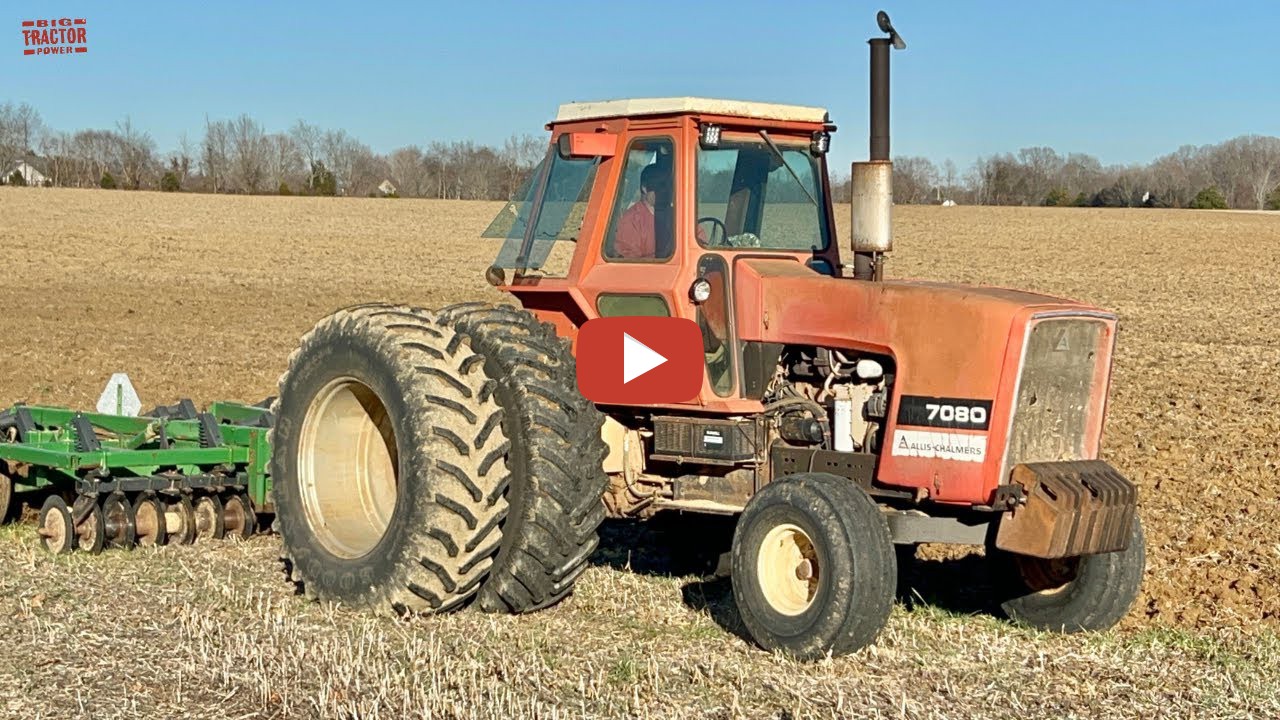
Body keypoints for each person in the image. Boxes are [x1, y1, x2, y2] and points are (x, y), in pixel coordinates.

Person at [614, 163, 705, 259]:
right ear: (644, 188)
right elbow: (630, 262)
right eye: (660, 187)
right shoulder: (631, 221)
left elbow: (700, 241)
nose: (666, 192)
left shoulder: (679, 215)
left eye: (669, 187)